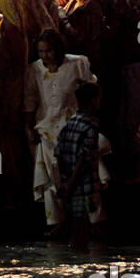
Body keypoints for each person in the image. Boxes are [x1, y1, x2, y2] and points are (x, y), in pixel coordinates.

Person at [26, 28, 94, 235]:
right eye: (41, 51)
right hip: (46, 128)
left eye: (49, 51)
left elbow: (91, 91)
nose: (45, 56)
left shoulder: (77, 64)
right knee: (51, 178)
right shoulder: (35, 70)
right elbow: (30, 100)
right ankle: (58, 221)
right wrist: (28, 127)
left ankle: (90, 220)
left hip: (73, 126)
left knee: (83, 175)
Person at [53, 80, 102, 244]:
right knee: (84, 230)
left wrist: (65, 182)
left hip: (70, 184)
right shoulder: (91, 125)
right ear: (93, 100)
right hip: (84, 184)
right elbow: (84, 157)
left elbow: (58, 154)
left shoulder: (69, 124)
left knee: (76, 226)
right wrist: (72, 181)